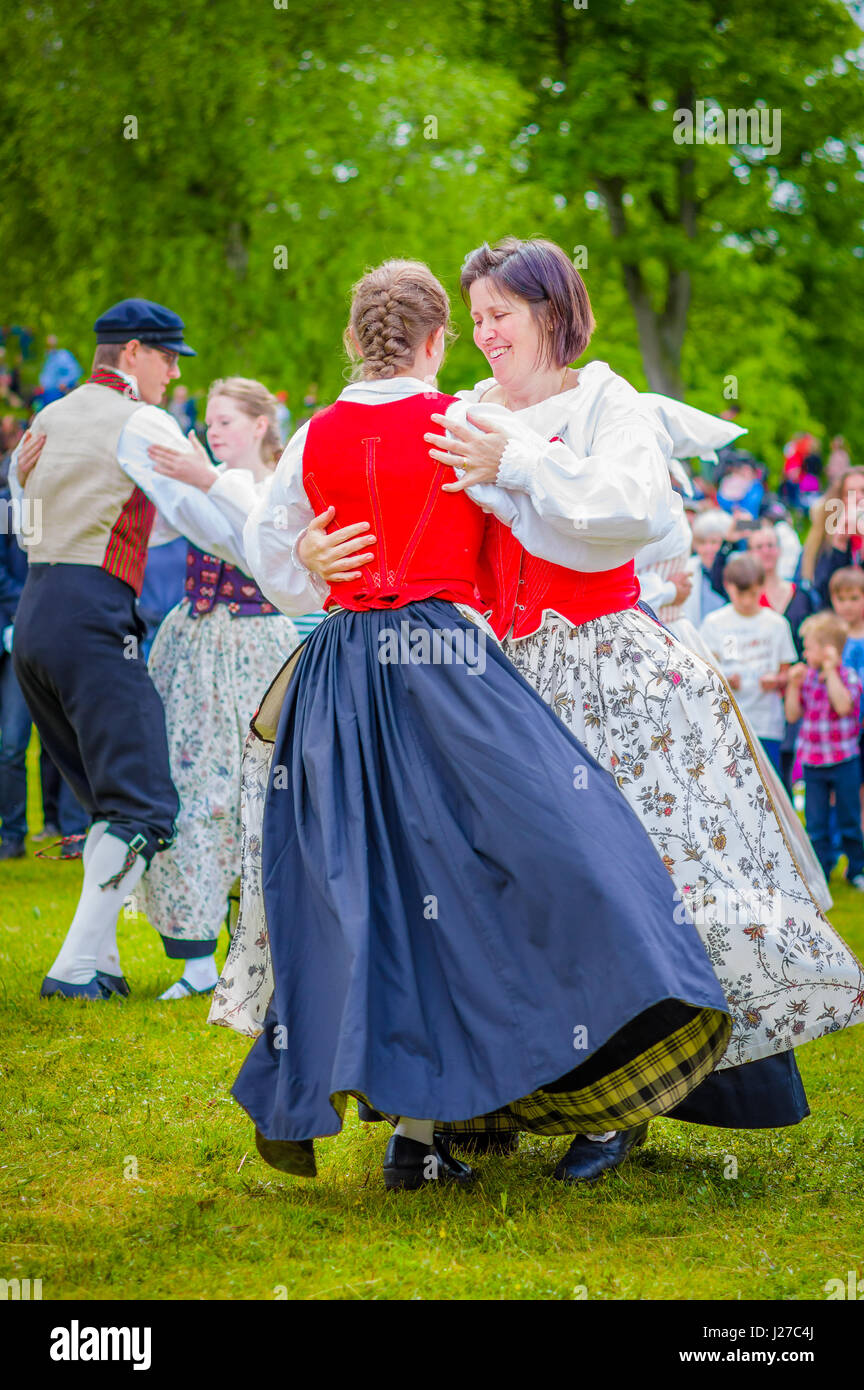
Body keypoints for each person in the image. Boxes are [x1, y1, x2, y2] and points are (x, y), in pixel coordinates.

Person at [301, 237, 864, 1183]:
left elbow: (635, 509)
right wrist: (320, 558)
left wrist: (520, 457)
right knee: (501, 898)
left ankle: (627, 1103)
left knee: (636, 885)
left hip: (605, 668)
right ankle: (480, 1106)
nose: (482, 335)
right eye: (473, 319)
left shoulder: (606, 401)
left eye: (500, 316)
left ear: (552, 313)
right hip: (489, 679)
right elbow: (396, 511)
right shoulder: (465, 409)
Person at [212, 259, 732, 1191]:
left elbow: (271, 552)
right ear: (438, 339)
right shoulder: (462, 419)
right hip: (447, 666)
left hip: (339, 673)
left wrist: (302, 556)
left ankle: (414, 1134)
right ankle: (594, 1061)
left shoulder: (314, 439)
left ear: (351, 342)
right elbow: (540, 515)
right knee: (541, 858)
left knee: (375, 893)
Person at [10, 298, 268, 1000]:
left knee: (105, 798)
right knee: (145, 804)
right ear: (132, 355)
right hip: (93, 618)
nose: (174, 373)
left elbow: (27, 515)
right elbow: (192, 514)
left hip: (36, 617)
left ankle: (101, 965)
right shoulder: (143, 421)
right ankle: (70, 970)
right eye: (167, 357)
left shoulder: (51, 417)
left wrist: (16, 480)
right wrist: (267, 550)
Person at [133, 378, 300, 1000]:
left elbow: (266, 544)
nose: (213, 430)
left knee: (267, 788)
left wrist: (204, 479)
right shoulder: (203, 485)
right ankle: (197, 956)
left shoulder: (275, 486)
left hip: (259, 645)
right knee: (194, 785)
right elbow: (156, 531)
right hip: (195, 644)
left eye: (227, 420)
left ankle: (271, 945)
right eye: (209, 420)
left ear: (261, 424)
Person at [785, 612, 864, 890]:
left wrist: (830, 670)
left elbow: (843, 706)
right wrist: (793, 686)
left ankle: (856, 869)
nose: (804, 652)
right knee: (816, 822)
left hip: (844, 760)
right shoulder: (805, 678)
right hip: (813, 762)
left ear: (828, 650)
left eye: (808, 646)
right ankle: (822, 870)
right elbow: (792, 715)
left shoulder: (848, 676)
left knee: (849, 817)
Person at [699, 553, 796, 775]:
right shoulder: (715, 623)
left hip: (766, 722)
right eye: (740, 594)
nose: (745, 601)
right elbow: (705, 669)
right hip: (728, 721)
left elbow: (787, 672)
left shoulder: (776, 624)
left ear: (761, 586)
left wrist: (777, 680)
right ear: (728, 587)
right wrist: (724, 679)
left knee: (769, 782)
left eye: (752, 594)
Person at [799, 468, 864, 605]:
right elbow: (823, 594)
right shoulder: (827, 537)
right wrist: (838, 549)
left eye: (863, 491)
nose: (858, 497)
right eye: (849, 493)